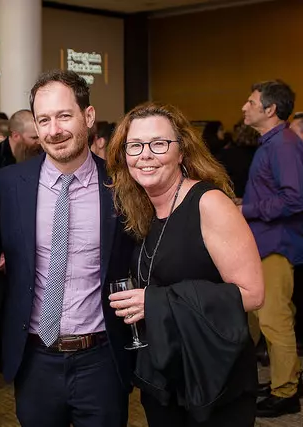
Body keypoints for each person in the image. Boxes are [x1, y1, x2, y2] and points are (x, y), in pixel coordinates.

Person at [106, 102, 264, 426]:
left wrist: (156, 301)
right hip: (167, 375)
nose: (145, 154)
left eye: (159, 144)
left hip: (213, 379)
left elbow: (252, 293)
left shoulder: (210, 203)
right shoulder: (144, 210)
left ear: (182, 152)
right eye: (134, 146)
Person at [0, 70, 135, 427]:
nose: (54, 130)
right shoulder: (10, 183)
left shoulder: (121, 185)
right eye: (44, 120)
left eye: (63, 116)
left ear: (88, 117)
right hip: (35, 357)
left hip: (102, 358)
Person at [240, 80, 303, 417]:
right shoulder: (272, 143)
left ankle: (286, 392)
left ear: (269, 109)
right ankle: (282, 381)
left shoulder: (282, 145)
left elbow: (295, 198)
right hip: (264, 245)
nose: (243, 107)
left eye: (250, 102)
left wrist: (246, 209)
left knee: (275, 321)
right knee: (266, 318)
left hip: (275, 246)